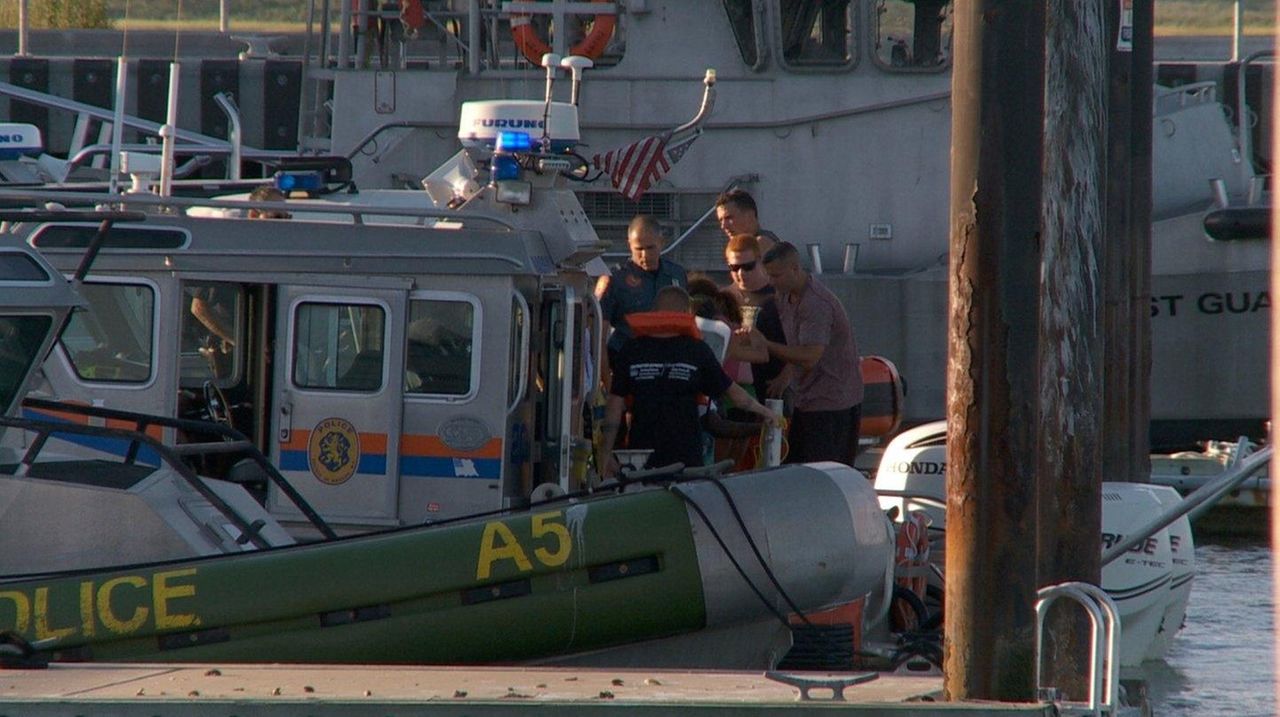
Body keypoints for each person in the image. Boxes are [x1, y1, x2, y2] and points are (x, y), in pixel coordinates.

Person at [601, 286, 778, 475]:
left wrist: (605, 454)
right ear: (687, 313)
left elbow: (614, 406)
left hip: (642, 454)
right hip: (686, 455)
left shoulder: (631, 350)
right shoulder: (697, 350)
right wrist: (768, 413)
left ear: (653, 312)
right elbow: (736, 395)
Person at [761, 241, 863, 465]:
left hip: (831, 403)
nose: (771, 282)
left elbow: (809, 357)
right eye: (769, 275)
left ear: (795, 269)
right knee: (799, 468)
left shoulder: (815, 303)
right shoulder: (785, 297)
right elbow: (797, 346)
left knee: (824, 473)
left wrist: (765, 345)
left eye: (776, 275)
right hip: (807, 400)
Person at [595, 215, 687, 372]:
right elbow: (598, 337)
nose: (645, 255)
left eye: (650, 248)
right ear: (629, 245)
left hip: (668, 361)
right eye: (639, 249)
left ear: (662, 243)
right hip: (626, 362)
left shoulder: (676, 274)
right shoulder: (615, 279)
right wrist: (608, 382)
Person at [722, 233, 788, 405]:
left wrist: (785, 378)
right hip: (735, 388)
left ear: (760, 262)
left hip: (772, 384)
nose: (741, 273)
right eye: (734, 268)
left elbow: (802, 344)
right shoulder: (724, 297)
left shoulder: (779, 297)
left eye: (748, 266)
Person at [714, 188, 779, 250]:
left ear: (749, 216)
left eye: (729, 217)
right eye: (721, 220)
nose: (723, 226)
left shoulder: (762, 244)